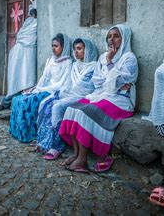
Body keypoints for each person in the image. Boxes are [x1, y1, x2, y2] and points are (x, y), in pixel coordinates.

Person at [59, 25, 138, 173]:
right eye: (109, 36)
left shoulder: (129, 58)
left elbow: (123, 80)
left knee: (84, 112)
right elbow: (98, 81)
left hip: (120, 100)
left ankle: (82, 160)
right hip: (101, 94)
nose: (111, 39)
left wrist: (109, 63)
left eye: (116, 36)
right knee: (72, 109)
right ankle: (76, 154)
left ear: (124, 38)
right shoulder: (102, 57)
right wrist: (113, 78)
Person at [37, 38, 98, 160]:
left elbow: (88, 87)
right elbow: (69, 84)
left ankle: (57, 146)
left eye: (79, 49)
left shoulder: (94, 66)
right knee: (47, 103)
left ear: (88, 50)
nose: (76, 52)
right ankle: (44, 140)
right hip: (71, 93)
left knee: (57, 107)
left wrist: (71, 92)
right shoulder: (75, 65)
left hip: (83, 96)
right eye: (74, 49)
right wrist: (65, 92)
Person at [9, 33, 72, 143]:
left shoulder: (68, 62)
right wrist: (36, 88)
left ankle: (29, 133)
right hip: (44, 89)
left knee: (28, 102)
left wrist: (41, 90)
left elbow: (62, 84)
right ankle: (17, 131)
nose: (53, 48)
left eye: (56, 46)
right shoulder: (51, 60)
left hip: (54, 91)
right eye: (52, 45)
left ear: (63, 47)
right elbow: (44, 77)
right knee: (18, 99)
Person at [0, 8, 38, 111]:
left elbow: (29, 38)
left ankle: (19, 105)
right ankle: (7, 102)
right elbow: (20, 36)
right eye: (30, 14)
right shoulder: (27, 23)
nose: (31, 16)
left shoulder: (36, 24)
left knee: (26, 80)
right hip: (18, 55)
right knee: (15, 80)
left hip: (28, 56)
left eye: (32, 14)